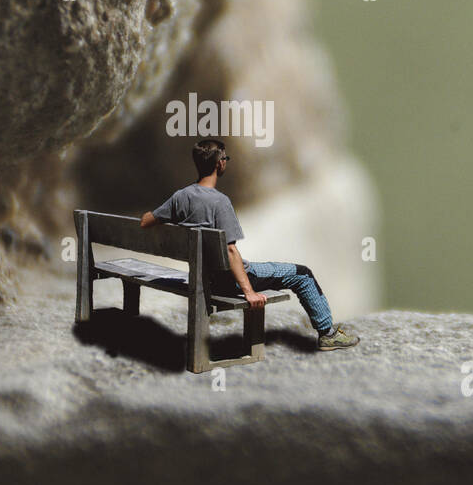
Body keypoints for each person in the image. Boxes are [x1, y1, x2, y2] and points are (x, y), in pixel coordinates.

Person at [140, 138, 359, 351]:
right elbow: (230, 250)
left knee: (276, 268)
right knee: (302, 274)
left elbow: (146, 221)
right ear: (220, 164)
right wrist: (249, 291)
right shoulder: (220, 202)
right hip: (229, 280)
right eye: (224, 158)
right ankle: (327, 334)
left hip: (204, 277)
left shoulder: (181, 196)